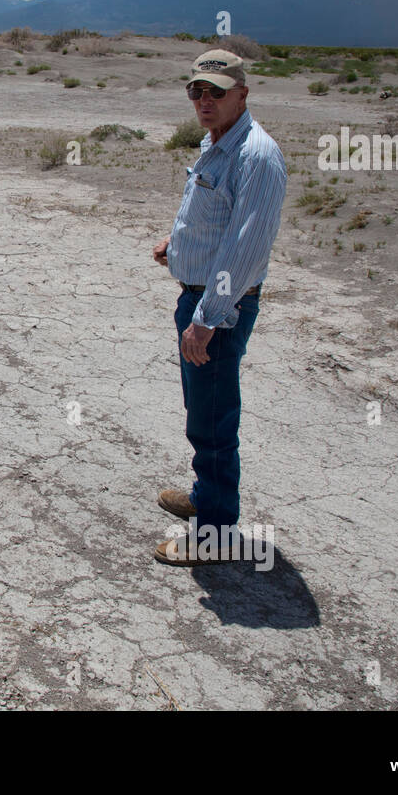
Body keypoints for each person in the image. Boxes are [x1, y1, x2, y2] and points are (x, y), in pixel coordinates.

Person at [150, 49, 286, 566]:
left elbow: (246, 246)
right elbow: (215, 220)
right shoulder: (219, 144)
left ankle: (216, 534)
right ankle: (207, 499)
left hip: (218, 309)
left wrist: (206, 320)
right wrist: (176, 244)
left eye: (216, 92)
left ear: (243, 95)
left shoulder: (256, 155)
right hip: (201, 297)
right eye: (196, 91)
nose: (204, 101)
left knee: (212, 418)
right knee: (201, 410)